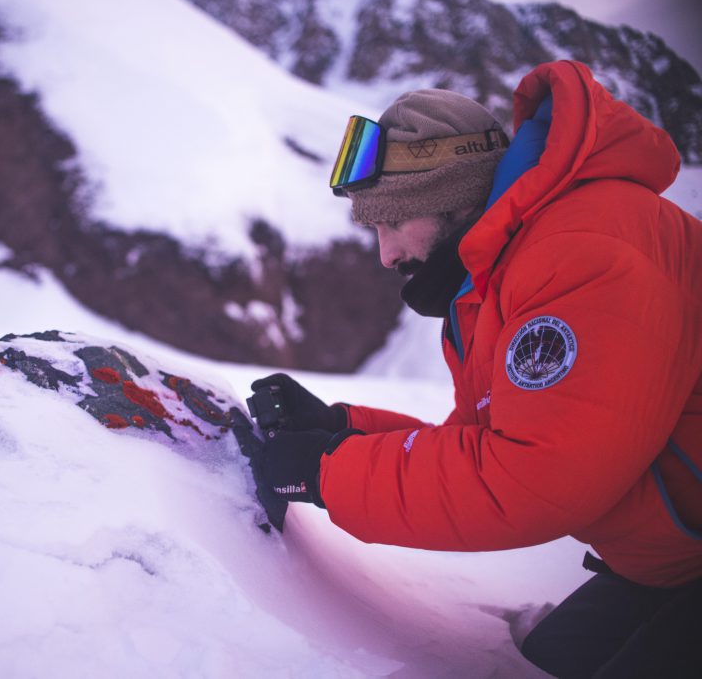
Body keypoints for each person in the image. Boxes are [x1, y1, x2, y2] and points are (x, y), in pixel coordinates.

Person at [253, 59, 702, 677]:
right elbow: (484, 441)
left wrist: (328, 472)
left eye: (392, 222)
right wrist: (343, 431)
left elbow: (536, 477)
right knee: (550, 659)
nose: (386, 255)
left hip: (683, 562)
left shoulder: (580, 253)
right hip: (668, 563)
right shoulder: (503, 268)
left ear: (452, 199)